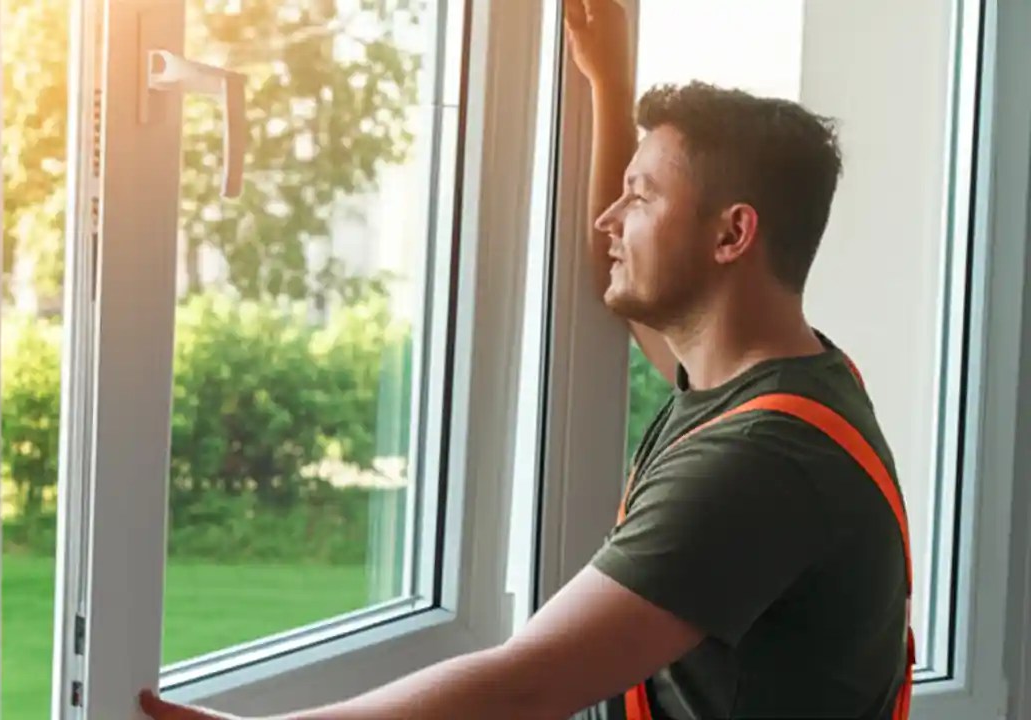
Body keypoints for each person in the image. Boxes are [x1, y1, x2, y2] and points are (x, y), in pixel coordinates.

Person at [140, 0, 912, 717]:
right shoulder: (775, 381)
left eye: (640, 197)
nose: (612, 217)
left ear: (730, 235)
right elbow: (608, 266)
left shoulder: (764, 459)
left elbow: (526, 683)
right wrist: (610, 83)